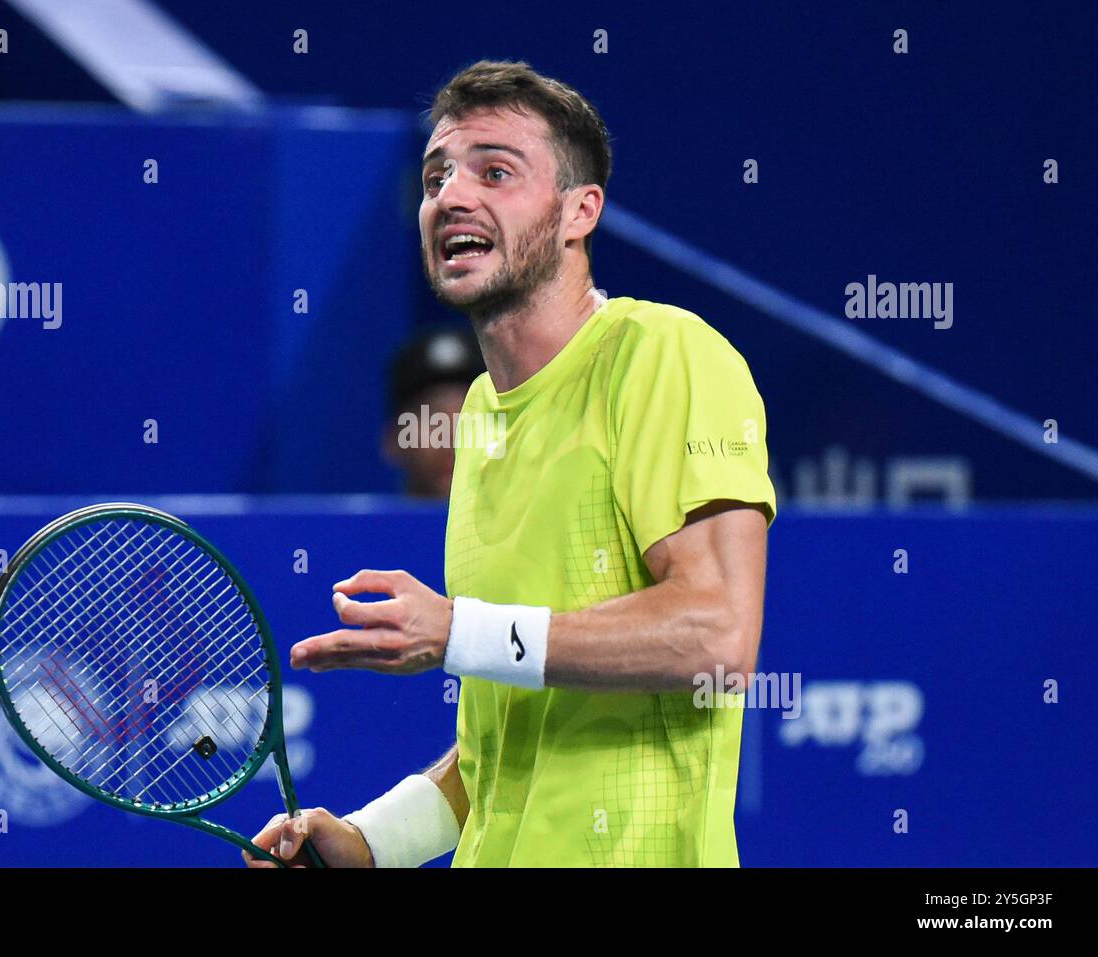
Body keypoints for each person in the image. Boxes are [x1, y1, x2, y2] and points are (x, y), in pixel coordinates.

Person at [246, 59, 776, 868]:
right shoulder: (484, 417)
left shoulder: (667, 356)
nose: (452, 196)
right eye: (436, 177)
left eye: (496, 171)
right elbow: (503, 740)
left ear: (578, 212)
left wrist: (459, 628)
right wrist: (371, 840)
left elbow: (717, 637)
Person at [383, 325, 486, 499]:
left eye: (469, 415)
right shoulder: (358, 527)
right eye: (431, 416)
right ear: (393, 438)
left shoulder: (536, 525)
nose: (449, 436)